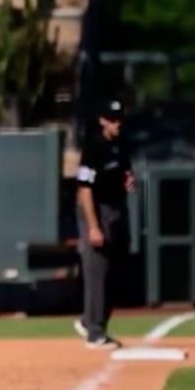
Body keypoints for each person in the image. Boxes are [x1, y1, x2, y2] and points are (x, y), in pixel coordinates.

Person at [74, 99, 135, 349]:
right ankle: (95, 333)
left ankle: (90, 321)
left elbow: (124, 172)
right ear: (102, 121)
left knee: (113, 273)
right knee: (97, 272)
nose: (117, 123)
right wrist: (93, 226)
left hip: (116, 210)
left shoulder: (120, 144)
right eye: (113, 119)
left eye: (120, 118)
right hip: (97, 211)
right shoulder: (94, 148)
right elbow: (84, 190)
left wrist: (129, 180)